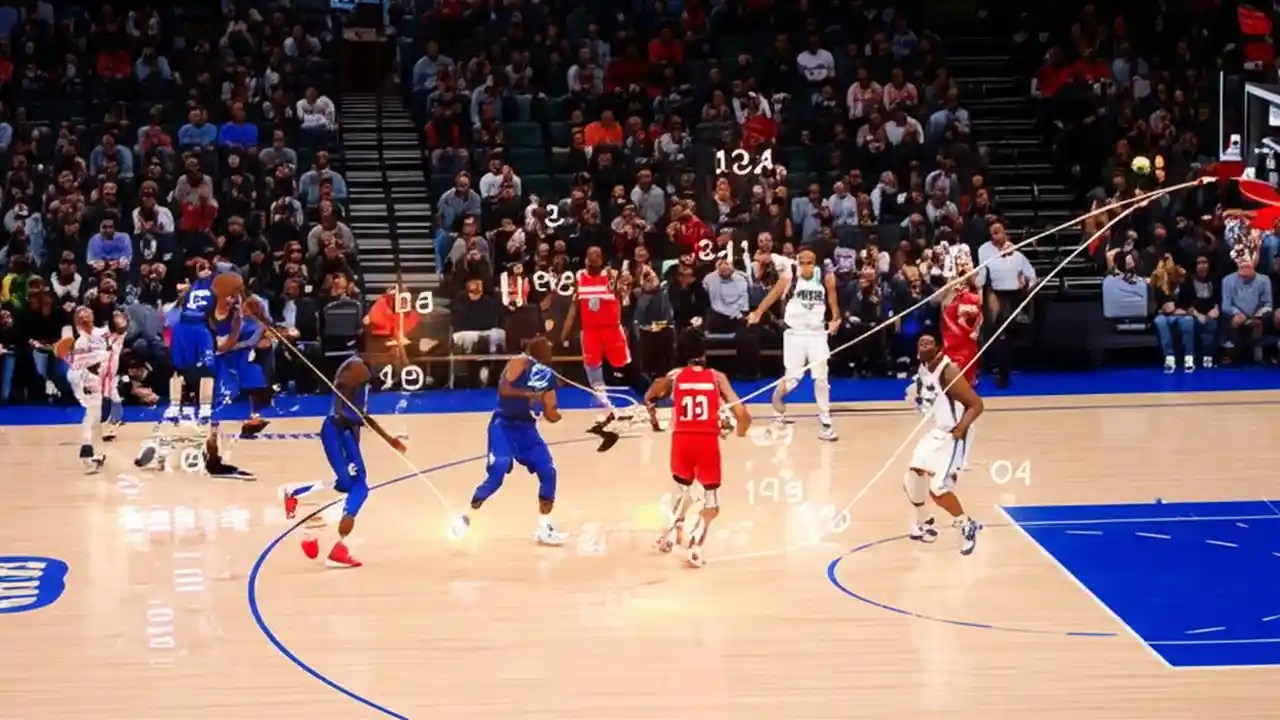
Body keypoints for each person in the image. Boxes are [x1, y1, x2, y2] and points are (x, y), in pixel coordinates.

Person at [281, 354, 407, 569]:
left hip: (346, 434)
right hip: (338, 432)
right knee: (360, 487)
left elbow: (362, 415)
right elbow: (341, 404)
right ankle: (339, 549)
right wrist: (347, 417)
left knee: (347, 484)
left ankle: (297, 493)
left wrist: (389, 439)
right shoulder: (356, 368)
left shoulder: (364, 372)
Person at [643, 330, 751, 568]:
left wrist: (654, 418)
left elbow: (649, 396)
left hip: (681, 442)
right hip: (706, 443)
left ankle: (672, 533)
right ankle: (694, 544)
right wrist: (740, 430)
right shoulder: (716, 377)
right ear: (704, 353)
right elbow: (742, 414)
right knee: (711, 504)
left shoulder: (675, 376)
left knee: (685, 492)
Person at [450, 336, 568, 546]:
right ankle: (466, 516)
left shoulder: (548, 376)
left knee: (549, 472)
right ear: (537, 351)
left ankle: (544, 526)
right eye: (547, 349)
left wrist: (555, 414)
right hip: (503, 426)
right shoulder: (520, 362)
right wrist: (531, 394)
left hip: (527, 430)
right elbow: (504, 389)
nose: (550, 353)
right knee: (498, 472)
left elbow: (551, 412)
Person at [561, 245, 659, 441]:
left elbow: (626, 288)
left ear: (602, 258)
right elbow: (574, 307)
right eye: (591, 255)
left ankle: (651, 400)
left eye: (598, 255)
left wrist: (631, 279)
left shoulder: (612, 274)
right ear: (586, 259)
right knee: (593, 375)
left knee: (629, 370)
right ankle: (607, 411)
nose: (595, 258)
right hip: (590, 332)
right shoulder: (579, 277)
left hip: (612, 329)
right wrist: (563, 334)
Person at [746, 246, 840, 440]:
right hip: (795, 334)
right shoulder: (790, 275)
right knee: (793, 380)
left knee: (821, 378)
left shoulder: (826, 277)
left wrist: (835, 320)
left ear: (815, 263)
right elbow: (772, 295)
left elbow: (833, 304)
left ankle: (825, 420)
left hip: (816, 334)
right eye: (802, 261)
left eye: (809, 262)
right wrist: (758, 313)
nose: (805, 265)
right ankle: (778, 403)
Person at [905, 334, 984, 555]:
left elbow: (976, 405)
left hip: (955, 433)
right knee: (914, 474)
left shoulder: (948, 371)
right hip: (939, 431)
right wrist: (916, 396)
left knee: (937, 490)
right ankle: (924, 522)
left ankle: (967, 525)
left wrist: (960, 429)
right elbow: (927, 393)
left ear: (939, 348)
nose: (924, 344)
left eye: (929, 342)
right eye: (921, 341)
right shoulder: (924, 366)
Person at [208, 292, 271, 436]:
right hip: (229, 355)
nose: (245, 309)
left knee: (251, 381)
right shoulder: (238, 320)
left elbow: (251, 342)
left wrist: (233, 346)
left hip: (244, 355)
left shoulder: (259, 325)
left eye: (248, 307)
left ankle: (252, 417)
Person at [165, 258, 217, 424]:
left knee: (207, 368)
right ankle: (174, 405)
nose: (204, 270)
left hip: (201, 328)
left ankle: (205, 407)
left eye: (207, 267)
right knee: (177, 368)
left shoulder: (217, 285)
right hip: (183, 327)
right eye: (201, 267)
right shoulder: (191, 285)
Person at [66, 307, 110, 473]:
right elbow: (76, 367)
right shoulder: (81, 342)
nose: (87, 321)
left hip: (101, 380)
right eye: (83, 319)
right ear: (78, 322)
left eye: (88, 317)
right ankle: (87, 452)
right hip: (88, 382)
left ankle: (97, 453)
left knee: (97, 420)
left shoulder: (99, 334)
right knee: (92, 417)